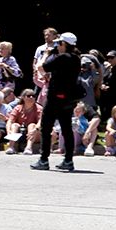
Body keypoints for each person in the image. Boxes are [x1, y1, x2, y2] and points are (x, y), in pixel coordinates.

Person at [32, 32, 81, 172]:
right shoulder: (76, 58)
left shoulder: (63, 57)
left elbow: (41, 67)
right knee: (67, 129)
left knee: (46, 128)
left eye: (59, 43)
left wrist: (46, 54)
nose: (57, 45)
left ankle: (43, 159)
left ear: (64, 44)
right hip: (69, 98)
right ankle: (68, 160)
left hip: (55, 98)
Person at [5, 89, 42, 155]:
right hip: (20, 133)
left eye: (33, 96)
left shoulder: (39, 108)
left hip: (34, 133)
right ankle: (11, 147)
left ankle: (28, 148)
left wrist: (35, 129)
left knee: (32, 125)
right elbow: (10, 121)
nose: (31, 97)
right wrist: (8, 131)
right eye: (28, 96)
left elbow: (40, 121)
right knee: (14, 125)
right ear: (23, 97)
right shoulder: (18, 108)